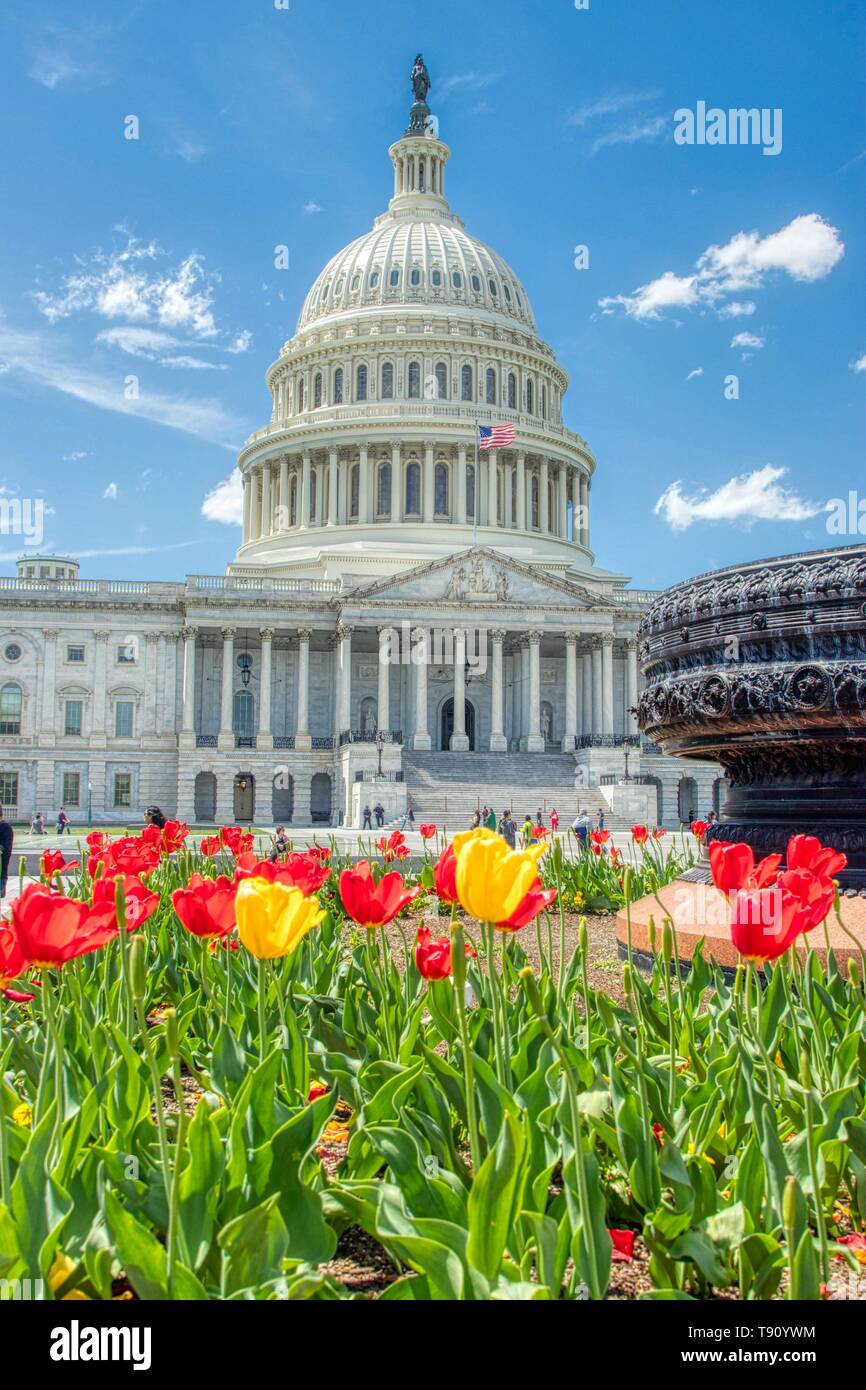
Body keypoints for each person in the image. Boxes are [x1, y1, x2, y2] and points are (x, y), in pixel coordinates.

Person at [0, 810, 12, 898]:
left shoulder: (6, 827)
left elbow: (7, 846)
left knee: (2, 872)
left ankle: (1, 888)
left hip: (1, 858)